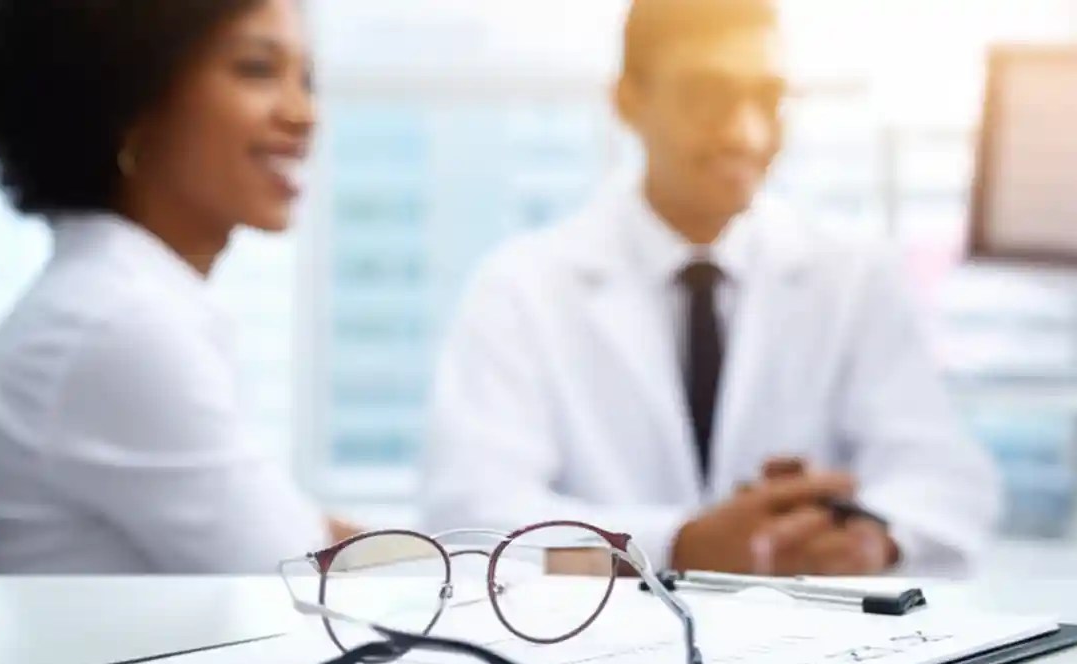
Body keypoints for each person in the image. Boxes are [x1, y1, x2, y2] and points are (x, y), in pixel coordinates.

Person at [419, 0, 1000, 577]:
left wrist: (877, 536)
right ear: (627, 101)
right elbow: (472, 514)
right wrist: (679, 544)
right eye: (707, 97)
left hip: (813, 640)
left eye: (768, 99)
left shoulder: (852, 278)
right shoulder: (523, 288)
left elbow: (946, 477)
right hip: (603, 646)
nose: (746, 133)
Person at [0, 0, 358, 573]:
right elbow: (298, 577)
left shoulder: (120, 299)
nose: (305, 112)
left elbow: (299, 531)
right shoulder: (116, 322)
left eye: (305, 79)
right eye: (257, 70)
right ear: (130, 94)